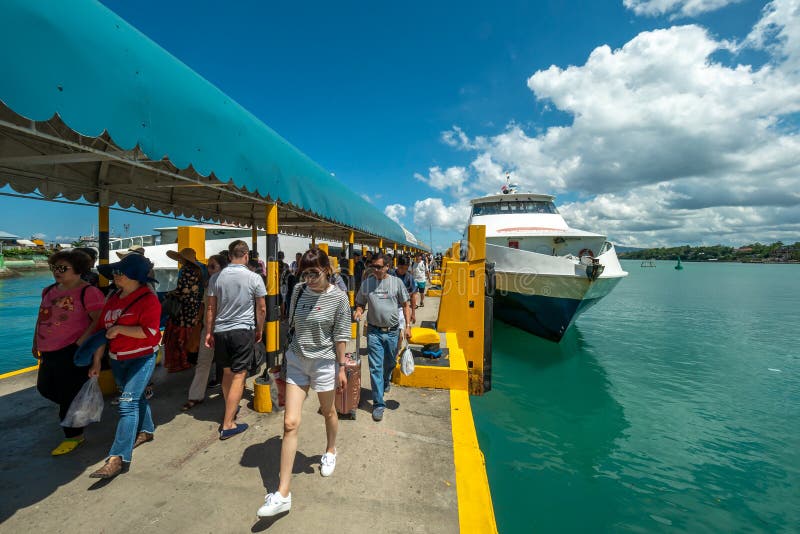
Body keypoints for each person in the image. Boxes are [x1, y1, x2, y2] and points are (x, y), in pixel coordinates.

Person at [257, 249, 352, 517]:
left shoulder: (339, 299)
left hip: (324, 363)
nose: (309, 278)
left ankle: (331, 449)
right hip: (297, 360)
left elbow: (341, 335)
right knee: (289, 423)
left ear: (327, 270)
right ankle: (282, 493)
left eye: (315, 272)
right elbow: (293, 323)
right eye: (305, 272)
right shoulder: (298, 290)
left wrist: (341, 367)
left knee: (329, 412)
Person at [88, 253, 162, 479]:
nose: (115, 275)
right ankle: (147, 431)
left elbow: (151, 334)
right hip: (118, 359)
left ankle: (117, 458)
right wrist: (97, 361)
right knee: (136, 398)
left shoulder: (149, 300)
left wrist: (120, 329)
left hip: (142, 358)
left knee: (127, 404)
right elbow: (101, 331)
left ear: (134, 276)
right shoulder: (113, 298)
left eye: (120, 272)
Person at [34, 250, 105, 456]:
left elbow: (99, 321)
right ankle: (78, 409)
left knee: (67, 394)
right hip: (48, 349)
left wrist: (84, 342)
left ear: (78, 269)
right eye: (55, 267)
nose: (57, 271)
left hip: (71, 350)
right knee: (45, 388)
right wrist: (35, 341)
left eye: (63, 268)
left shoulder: (88, 292)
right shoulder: (48, 291)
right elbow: (41, 318)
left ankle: (73, 436)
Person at [205, 240, 266, 440]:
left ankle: (230, 408)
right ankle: (228, 423)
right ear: (246, 255)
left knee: (227, 373)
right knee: (240, 375)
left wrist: (209, 332)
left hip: (221, 331)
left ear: (230, 256)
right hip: (242, 331)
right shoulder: (254, 278)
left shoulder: (216, 278)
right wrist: (260, 329)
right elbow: (262, 308)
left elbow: (211, 308)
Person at [354, 253, 411, 422]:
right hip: (374, 332)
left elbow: (406, 305)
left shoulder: (397, 283)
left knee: (390, 362)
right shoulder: (367, 284)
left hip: (393, 332)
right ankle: (379, 404)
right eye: (373, 266)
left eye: (379, 267)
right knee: (375, 367)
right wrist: (358, 310)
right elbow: (360, 303)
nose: (376, 270)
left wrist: (407, 326)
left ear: (387, 266)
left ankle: (386, 380)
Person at [182, 254, 228, 410]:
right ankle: (195, 396)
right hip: (207, 329)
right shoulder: (208, 285)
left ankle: (229, 395)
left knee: (227, 365)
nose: (209, 269)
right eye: (208, 266)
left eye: (213, 266)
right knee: (203, 362)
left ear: (222, 267)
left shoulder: (228, 285)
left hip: (224, 330)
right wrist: (198, 322)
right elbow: (204, 305)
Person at [163, 248, 205, 372]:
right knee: (189, 332)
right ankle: (189, 358)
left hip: (183, 308)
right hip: (194, 306)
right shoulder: (198, 270)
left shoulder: (186, 270)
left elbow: (182, 290)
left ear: (184, 259)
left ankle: (181, 361)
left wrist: (170, 294)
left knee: (179, 333)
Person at [390, 255, 418, 328]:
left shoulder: (409, 277)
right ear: (397, 265)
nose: (403, 271)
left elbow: (413, 296)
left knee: (399, 333)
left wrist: (413, 313)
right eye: (401, 268)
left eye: (406, 268)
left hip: (401, 309)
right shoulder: (390, 275)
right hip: (389, 307)